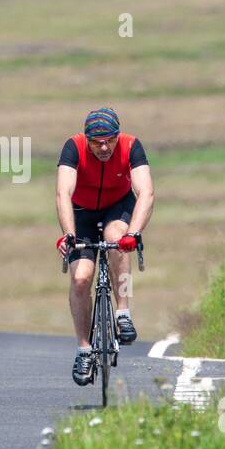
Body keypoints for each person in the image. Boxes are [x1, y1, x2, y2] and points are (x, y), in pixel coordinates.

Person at [55, 108, 155, 386]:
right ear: (86, 139)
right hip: (82, 214)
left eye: (109, 140)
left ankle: (122, 312)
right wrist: (69, 234)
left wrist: (134, 233)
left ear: (117, 136)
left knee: (117, 240)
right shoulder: (73, 147)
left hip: (117, 207)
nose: (103, 147)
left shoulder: (131, 146)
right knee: (81, 278)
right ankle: (84, 350)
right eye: (96, 141)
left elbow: (145, 192)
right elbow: (63, 193)